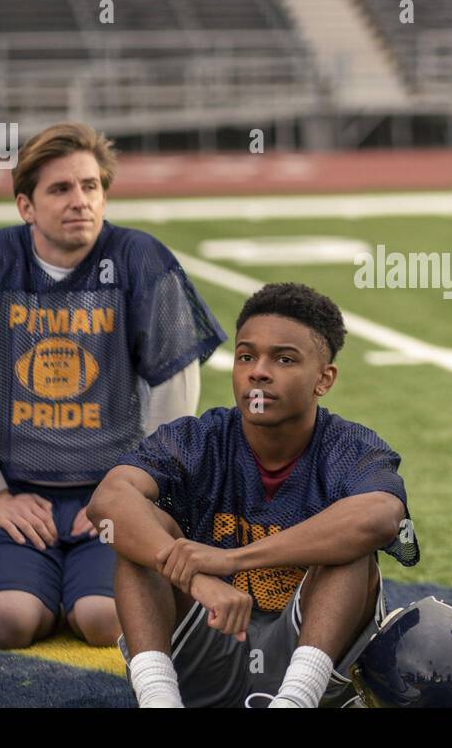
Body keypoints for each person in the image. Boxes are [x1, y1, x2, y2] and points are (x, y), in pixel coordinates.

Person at [0, 121, 226, 651]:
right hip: (19, 487)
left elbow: (175, 390)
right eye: (61, 189)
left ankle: (69, 583)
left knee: (104, 619)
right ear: (25, 205)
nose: (80, 201)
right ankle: (25, 577)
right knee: (8, 622)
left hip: (113, 492)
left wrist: (134, 493)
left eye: (91, 186)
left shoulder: (142, 260)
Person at [88, 282, 420, 708]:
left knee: (349, 549)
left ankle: (294, 701)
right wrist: (200, 579)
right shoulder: (199, 438)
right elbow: (109, 501)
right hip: (210, 643)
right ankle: (158, 699)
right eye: (246, 356)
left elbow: (379, 519)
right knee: (141, 531)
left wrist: (230, 561)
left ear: (324, 379)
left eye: (283, 359)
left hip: (307, 654)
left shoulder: (349, 448)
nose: (258, 371)